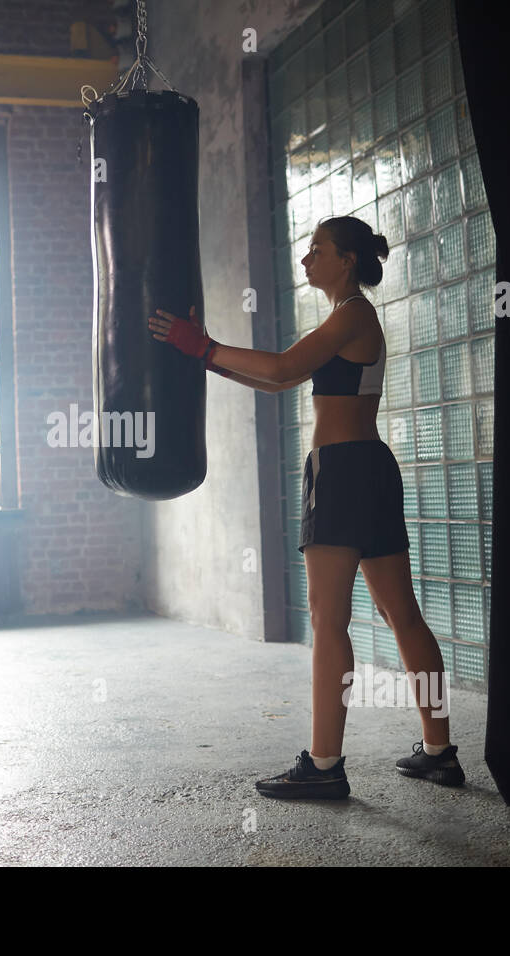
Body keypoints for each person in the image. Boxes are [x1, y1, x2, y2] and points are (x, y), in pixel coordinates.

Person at [147, 215, 464, 798]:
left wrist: (205, 345)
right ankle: (439, 752)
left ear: (346, 260)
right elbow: (278, 382)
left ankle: (323, 767)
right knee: (402, 615)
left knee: (327, 622)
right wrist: (207, 357)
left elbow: (284, 367)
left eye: (316, 249)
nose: (305, 260)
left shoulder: (351, 315)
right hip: (369, 470)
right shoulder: (349, 320)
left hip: (341, 473)